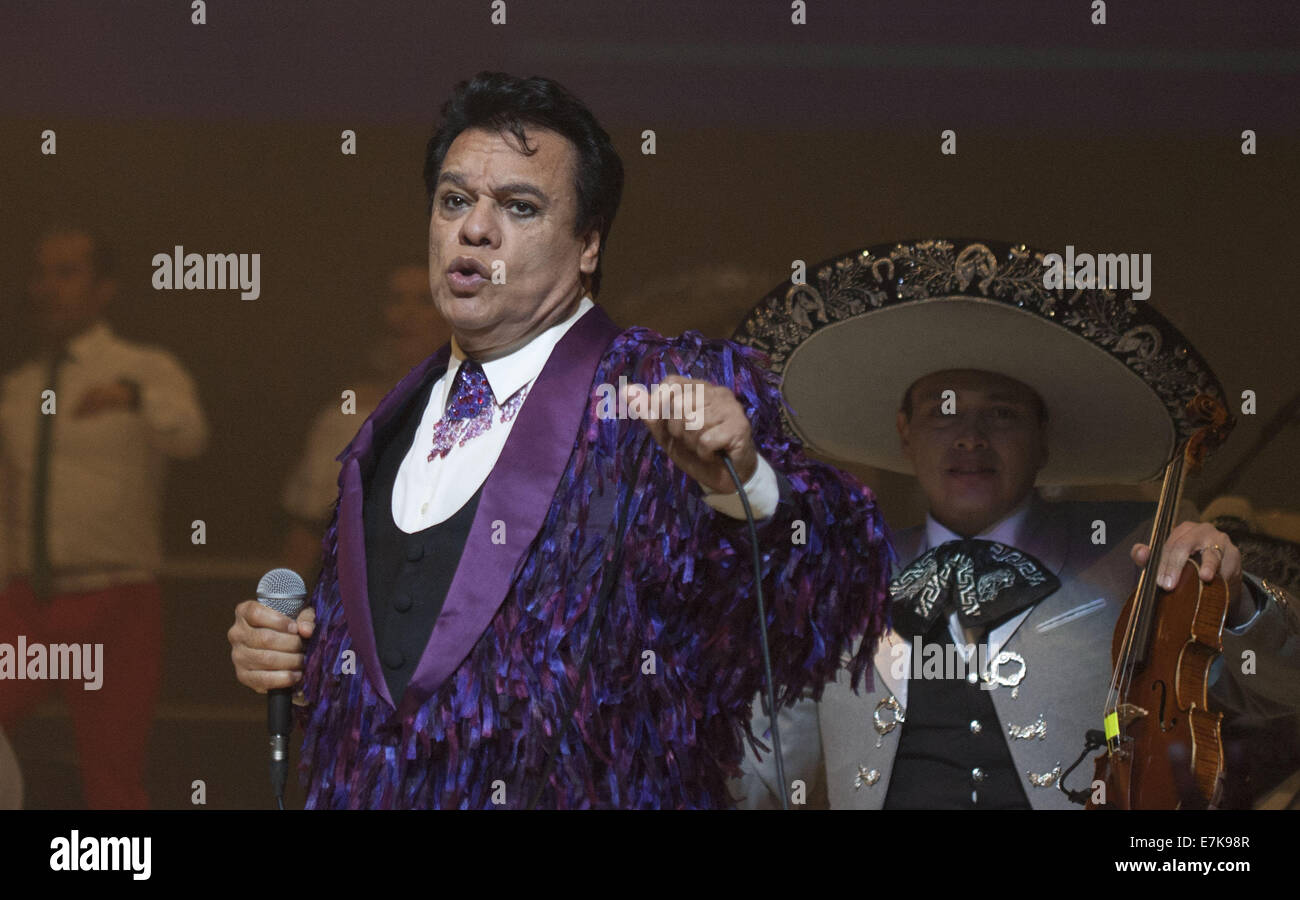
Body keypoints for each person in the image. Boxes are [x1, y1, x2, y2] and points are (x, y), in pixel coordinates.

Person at [227, 72, 893, 809]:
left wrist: (746, 482)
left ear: (587, 245)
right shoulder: (387, 425)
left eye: (520, 206)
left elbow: (838, 600)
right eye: (454, 201)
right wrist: (300, 653)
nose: (474, 229)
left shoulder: (659, 387)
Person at [731, 238, 1300, 809]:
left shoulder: (1138, 547)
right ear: (904, 431)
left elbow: (1281, 698)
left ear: (1042, 436)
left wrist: (1238, 604)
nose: (970, 436)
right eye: (942, 411)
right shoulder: (835, 569)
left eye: (1002, 414)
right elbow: (759, 767)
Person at [0, 225, 210, 808]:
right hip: (26, 600)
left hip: (117, 598)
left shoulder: (144, 368)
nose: (49, 287)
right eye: (41, 273)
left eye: (67, 272)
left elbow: (191, 435)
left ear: (103, 288)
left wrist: (137, 399)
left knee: (112, 770)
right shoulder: (15, 391)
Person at [280, 263, 453, 583]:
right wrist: (275, 613)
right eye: (397, 301)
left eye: (424, 301)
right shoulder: (347, 417)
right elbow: (306, 535)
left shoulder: (491, 405)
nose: (406, 315)